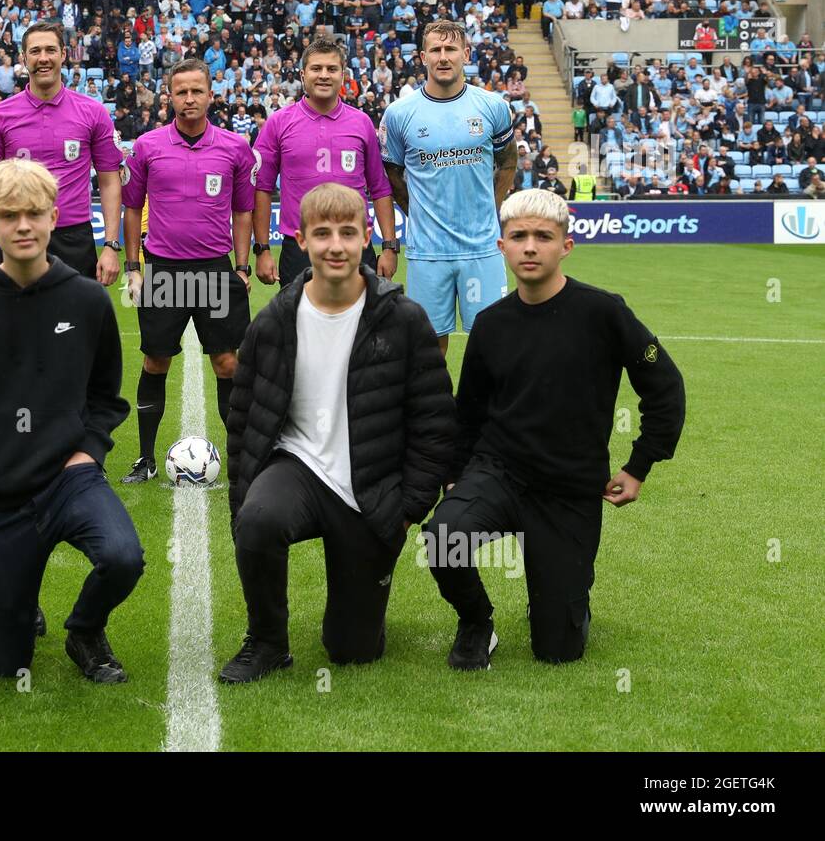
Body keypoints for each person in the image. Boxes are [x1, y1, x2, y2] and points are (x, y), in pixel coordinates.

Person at [425, 189, 685, 669]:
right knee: (444, 536)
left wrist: (640, 464)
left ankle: (562, 597)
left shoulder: (603, 312)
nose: (529, 247)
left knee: (558, 650)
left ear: (565, 245)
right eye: (518, 236)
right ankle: (477, 622)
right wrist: (455, 475)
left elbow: (664, 386)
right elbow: (469, 411)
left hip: (569, 488)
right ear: (500, 246)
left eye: (543, 237)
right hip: (499, 473)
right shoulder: (490, 324)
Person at [219, 183, 456, 683]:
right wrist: (242, 500)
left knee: (352, 651)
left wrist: (408, 506)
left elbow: (435, 421)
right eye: (322, 233)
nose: (335, 246)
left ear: (366, 237)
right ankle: (266, 642)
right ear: (301, 239)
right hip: (299, 468)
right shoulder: (275, 319)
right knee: (259, 520)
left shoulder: (404, 319)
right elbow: (243, 416)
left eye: (348, 233)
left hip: (370, 488)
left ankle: (361, 608)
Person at [0, 158, 142, 683]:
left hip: (69, 481)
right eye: (8, 216)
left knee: (123, 556)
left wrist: (87, 452)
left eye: (33, 214)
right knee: (7, 666)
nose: (22, 226)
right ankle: (19, 602)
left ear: (55, 216)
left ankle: (85, 630)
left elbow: (106, 395)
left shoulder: (88, 299)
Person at [119, 58, 255, 483]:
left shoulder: (234, 147)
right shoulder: (147, 146)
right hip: (165, 271)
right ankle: (144, 458)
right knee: (156, 361)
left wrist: (243, 265)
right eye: (182, 92)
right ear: (169, 97)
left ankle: (239, 458)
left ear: (211, 95)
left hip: (216, 270)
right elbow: (130, 208)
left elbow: (243, 210)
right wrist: (133, 268)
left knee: (228, 364)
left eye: (197, 91)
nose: (189, 99)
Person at [381, 20, 518, 355]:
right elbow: (392, 177)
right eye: (436, 50)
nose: (443, 57)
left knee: (493, 345)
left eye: (451, 49)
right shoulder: (399, 114)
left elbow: (509, 162)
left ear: (466, 54)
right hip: (428, 253)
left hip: (482, 249)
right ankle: (434, 410)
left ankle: (485, 410)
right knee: (428, 349)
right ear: (423, 57)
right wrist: (419, 213)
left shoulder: (493, 107)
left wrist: (491, 205)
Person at [0, 21, 124, 284]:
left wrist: (111, 245)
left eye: (50, 50)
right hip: (17, 234)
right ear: (23, 58)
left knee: (74, 325)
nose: (43, 59)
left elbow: (110, 181)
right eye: (35, 51)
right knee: (14, 325)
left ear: (63, 54)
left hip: (74, 238)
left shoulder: (93, 112)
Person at [253, 36, 398, 289]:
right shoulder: (277, 123)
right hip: (300, 247)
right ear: (302, 74)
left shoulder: (361, 122)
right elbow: (262, 188)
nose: (324, 75)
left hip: (354, 244)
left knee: (359, 326)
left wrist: (389, 246)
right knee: (300, 327)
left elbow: (380, 187)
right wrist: (262, 249)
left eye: (332, 69)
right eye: (316, 68)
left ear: (343, 75)